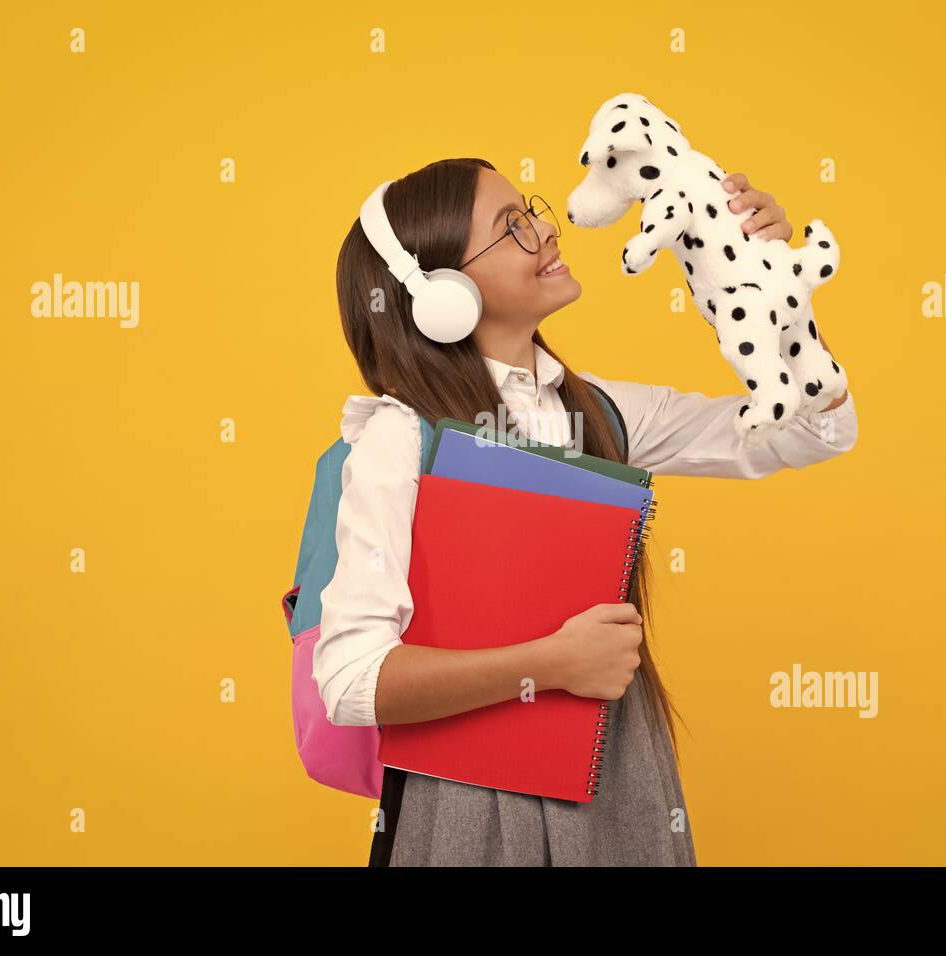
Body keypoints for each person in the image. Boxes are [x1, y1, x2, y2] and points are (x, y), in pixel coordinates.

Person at [318, 157, 858, 866]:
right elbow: (352, 680)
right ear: (441, 295)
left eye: (530, 210)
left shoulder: (601, 409)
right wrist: (550, 663)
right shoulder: (398, 439)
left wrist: (771, 291)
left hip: (619, 779)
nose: (546, 228)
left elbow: (815, 429)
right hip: (471, 804)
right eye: (510, 228)